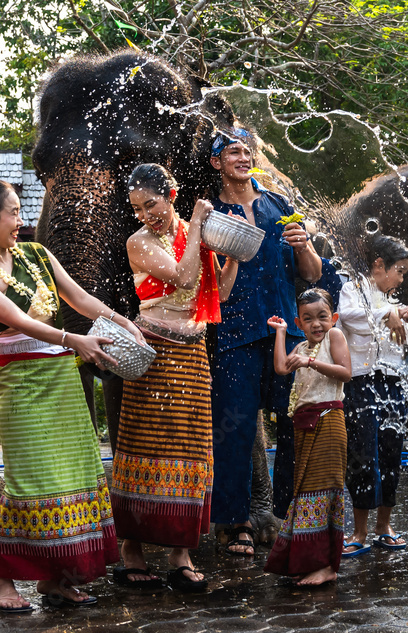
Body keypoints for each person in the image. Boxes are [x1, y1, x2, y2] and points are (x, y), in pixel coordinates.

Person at [0, 178, 144, 611]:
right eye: (15, 213)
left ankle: (58, 578)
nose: (21, 221)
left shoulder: (36, 255)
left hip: (59, 377)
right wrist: (72, 339)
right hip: (21, 384)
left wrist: (122, 320)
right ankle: (3, 582)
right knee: (28, 483)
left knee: (73, 475)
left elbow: (77, 297)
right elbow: (19, 321)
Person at [110, 164, 239, 591]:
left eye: (152, 204)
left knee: (190, 444)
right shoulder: (139, 242)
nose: (148, 214)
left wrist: (233, 255)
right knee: (147, 442)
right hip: (156, 354)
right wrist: (200, 224)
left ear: (171, 193)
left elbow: (217, 292)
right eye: (138, 208)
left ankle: (180, 552)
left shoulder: (193, 232)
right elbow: (184, 277)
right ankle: (132, 548)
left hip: (194, 353)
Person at [209, 127, 323, 556]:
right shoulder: (212, 213)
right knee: (234, 427)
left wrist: (305, 246)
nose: (243, 157)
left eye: (247, 151)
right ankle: (234, 522)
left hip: (286, 332)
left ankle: (288, 512)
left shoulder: (279, 206)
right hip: (236, 331)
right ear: (217, 162)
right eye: (233, 152)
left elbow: (310, 274)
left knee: (295, 422)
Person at [337, 235, 408, 557]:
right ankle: (359, 530)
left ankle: (384, 525)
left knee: (391, 452)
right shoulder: (353, 290)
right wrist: (384, 315)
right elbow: (350, 318)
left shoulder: (397, 304)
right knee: (362, 455)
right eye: (399, 271)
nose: (402, 278)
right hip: (360, 383)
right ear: (379, 265)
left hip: (392, 385)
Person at [265, 289, 351, 586]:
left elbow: (345, 372)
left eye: (323, 317)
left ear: (334, 318)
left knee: (324, 490)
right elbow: (280, 367)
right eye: (308, 319)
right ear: (298, 323)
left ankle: (327, 565)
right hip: (304, 425)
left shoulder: (334, 338)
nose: (317, 324)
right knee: (305, 492)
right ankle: (309, 560)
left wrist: (311, 363)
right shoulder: (301, 347)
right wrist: (280, 333)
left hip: (328, 421)